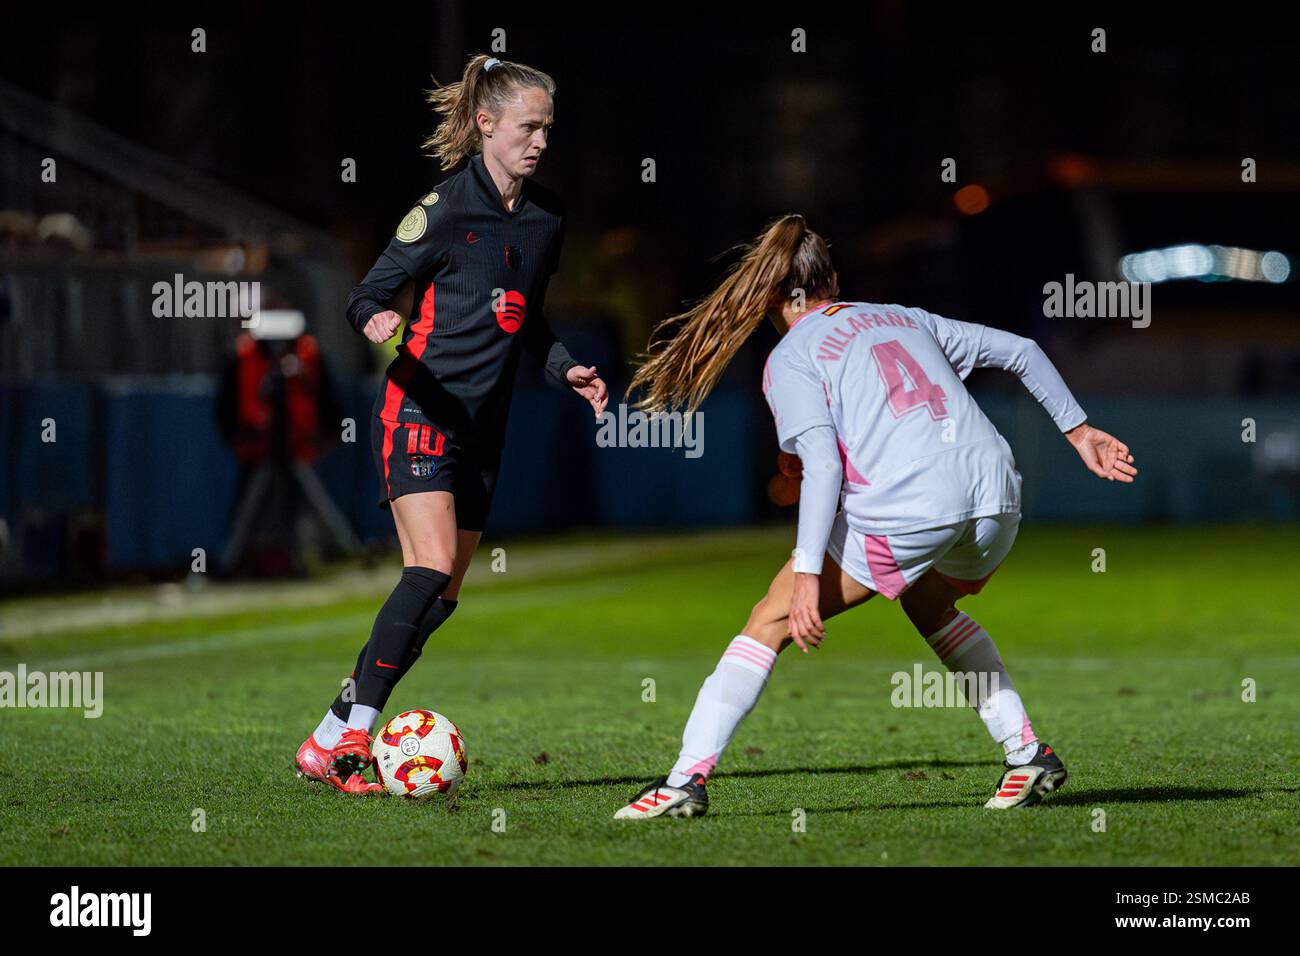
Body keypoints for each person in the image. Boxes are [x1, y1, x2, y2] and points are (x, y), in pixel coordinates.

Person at [614, 214, 1136, 818]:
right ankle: (1028, 754)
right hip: (997, 494)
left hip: (914, 505)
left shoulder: (791, 356)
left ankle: (683, 784)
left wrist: (807, 572)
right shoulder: (903, 316)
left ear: (770, 294)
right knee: (929, 602)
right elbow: (1021, 350)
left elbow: (824, 468)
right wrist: (1078, 430)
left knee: (767, 621)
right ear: (832, 280)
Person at [295, 54, 608, 794]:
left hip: (484, 429)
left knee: (445, 597)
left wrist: (565, 367)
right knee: (428, 568)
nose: (539, 142)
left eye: (548, 130)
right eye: (528, 127)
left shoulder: (546, 218)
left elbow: (530, 321)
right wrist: (375, 318)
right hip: (420, 409)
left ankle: (328, 732)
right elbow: (365, 293)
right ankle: (353, 748)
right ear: (486, 123)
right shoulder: (441, 208)